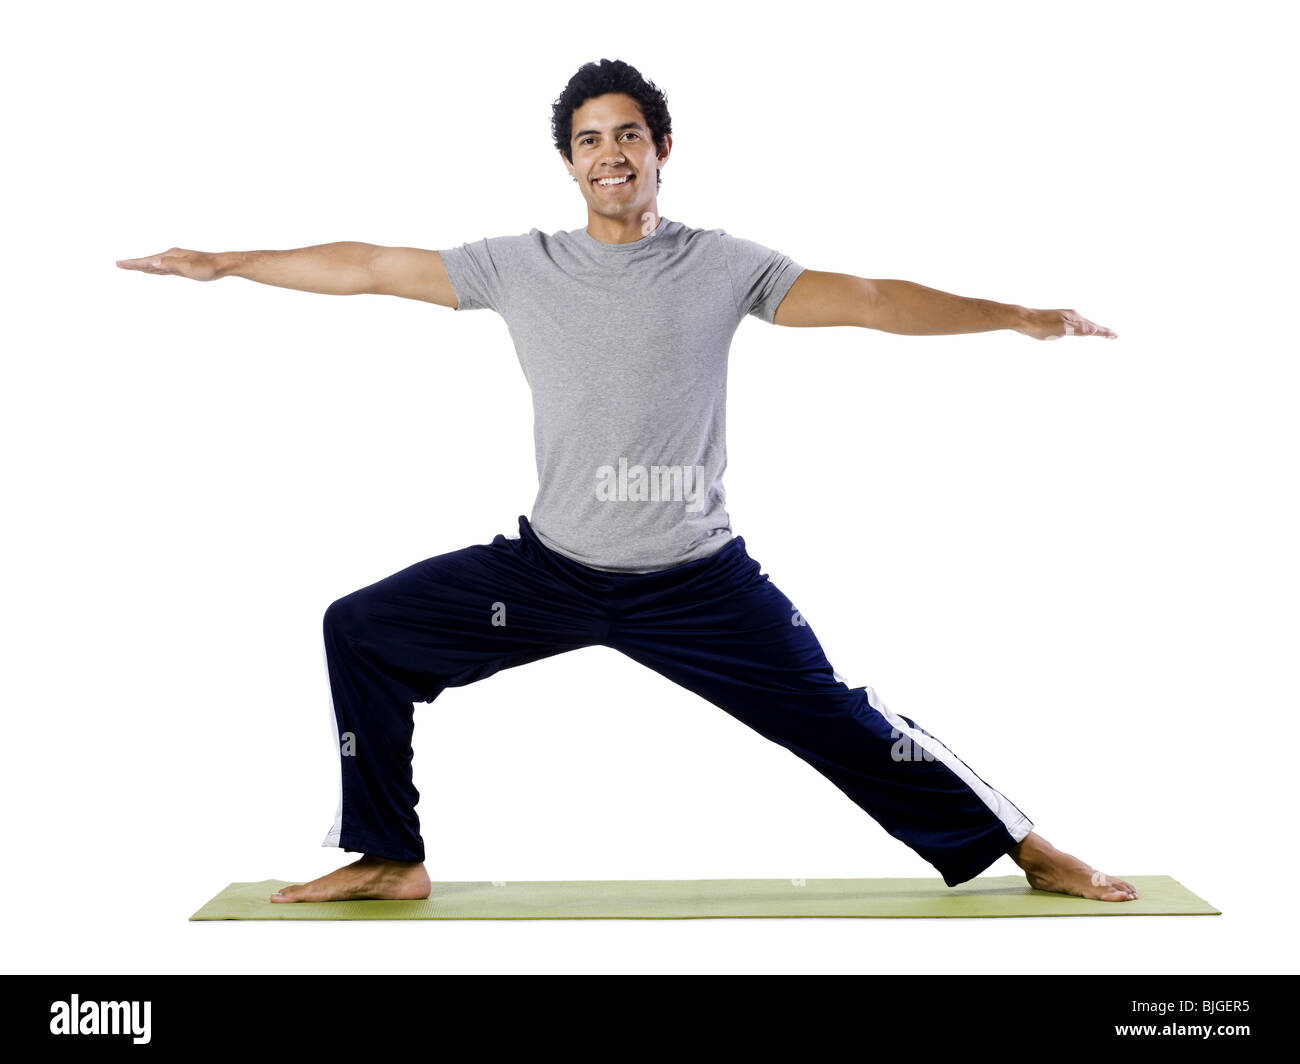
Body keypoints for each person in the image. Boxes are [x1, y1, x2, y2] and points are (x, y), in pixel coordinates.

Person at [117, 59, 1136, 905]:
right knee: (362, 626)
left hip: (697, 580)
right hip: (551, 568)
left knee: (842, 718)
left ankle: (1022, 841)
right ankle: (390, 853)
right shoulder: (521, 266)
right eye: (591, 140)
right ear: (569, 162)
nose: (612, 154)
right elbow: (374, 266)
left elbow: (870, 298)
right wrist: (228, 260)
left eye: (629, 135)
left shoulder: (725, 264)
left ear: (661, 149)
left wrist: (1015, 313)